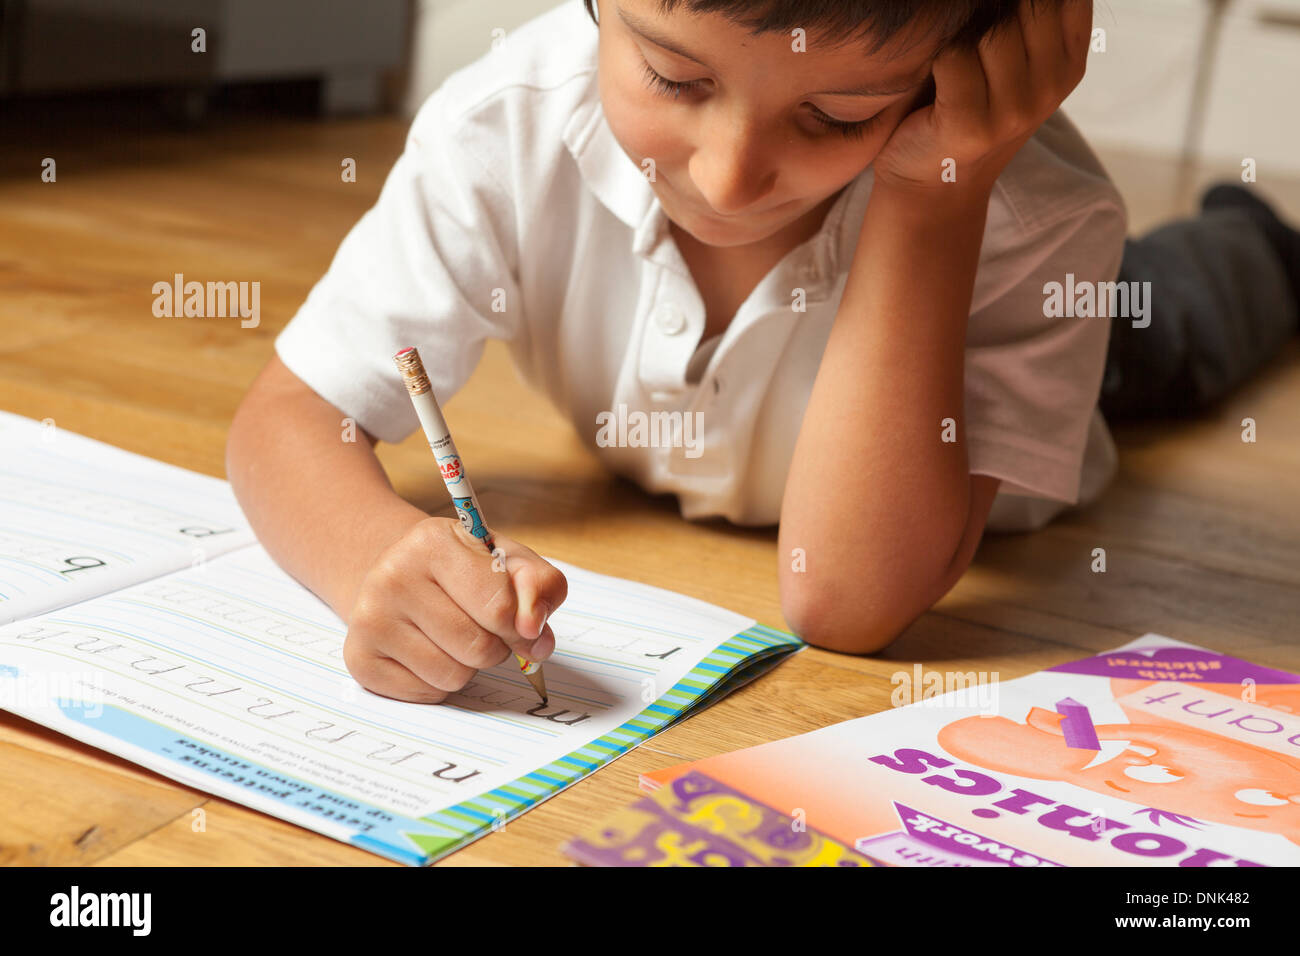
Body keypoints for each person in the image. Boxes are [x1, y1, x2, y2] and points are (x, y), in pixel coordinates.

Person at [226, 0, 1299, 703]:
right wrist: (369, 553)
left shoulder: (1035, 219)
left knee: (1175, 317)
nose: (730, 178)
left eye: (835, 115)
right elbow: (288, 416)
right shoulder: (501, 127)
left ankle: (1261, 241)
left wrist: (935, 195)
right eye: (673, 78)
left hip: (1040, 398)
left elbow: (842, 598)